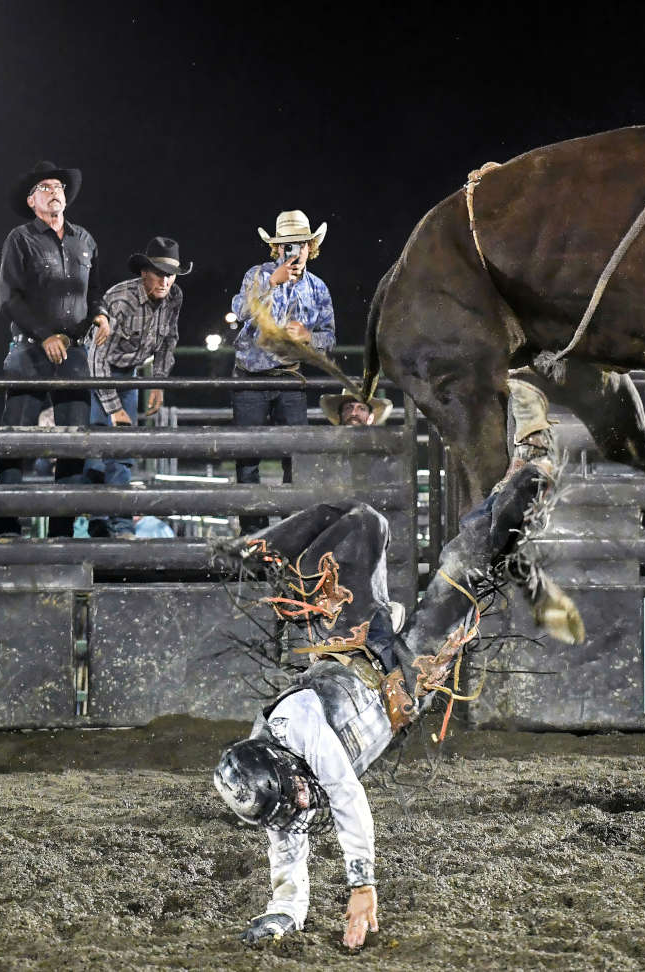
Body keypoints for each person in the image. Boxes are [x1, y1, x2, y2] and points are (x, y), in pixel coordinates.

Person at [212, 382, 583, 950]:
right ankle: (531, 465)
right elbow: (288, 852)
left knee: (363, 524)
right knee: (470, 564)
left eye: (296, 793)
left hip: (346, 647)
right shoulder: (281, 792)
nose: (303, 803)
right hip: (404, 684)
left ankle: (262, 548)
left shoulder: (298, 726)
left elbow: (346, 796)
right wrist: (282, 916)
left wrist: (363, 886)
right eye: (293, 805)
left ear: (278, 759)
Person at [0, 160, 109, 537]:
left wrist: (101, 314)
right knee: (16, 437)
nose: (54, 190)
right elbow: (9, 299)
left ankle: (61, 531)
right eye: (45, 186)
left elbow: (94, 290)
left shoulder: (85, 240)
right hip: (29, 348)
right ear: (32, 201)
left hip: (74, 351)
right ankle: (7, 525)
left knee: (74, 440)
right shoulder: (20, 238)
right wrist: (45, 334)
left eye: (58, 185)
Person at [230, 211, 335, 534]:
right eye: (288, 245)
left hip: (291, 379)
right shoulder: (257, 275)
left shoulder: (317, 288)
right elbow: (239, 310)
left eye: (300, 244)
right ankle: (254, 535)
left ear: (309, 247)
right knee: (248, 460)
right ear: (277, 249)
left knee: (297, 459)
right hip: (251, 377)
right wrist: (271, 282)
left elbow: (329, 338)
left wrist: (308, 337)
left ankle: (293, 532)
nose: (294, 251)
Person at [84, 237, 191, 537]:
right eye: (159, 272)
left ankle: (117, 525)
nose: (165, 280)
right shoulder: (121, 299)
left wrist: (158, 382)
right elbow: (96, 356)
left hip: (129, 373)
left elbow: (169, 339)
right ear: (144, 272)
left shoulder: (175, 297)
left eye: (170, 274)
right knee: (99, 448)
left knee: (121, 449)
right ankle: (99, 523)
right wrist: (114, 407)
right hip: (96, 372)